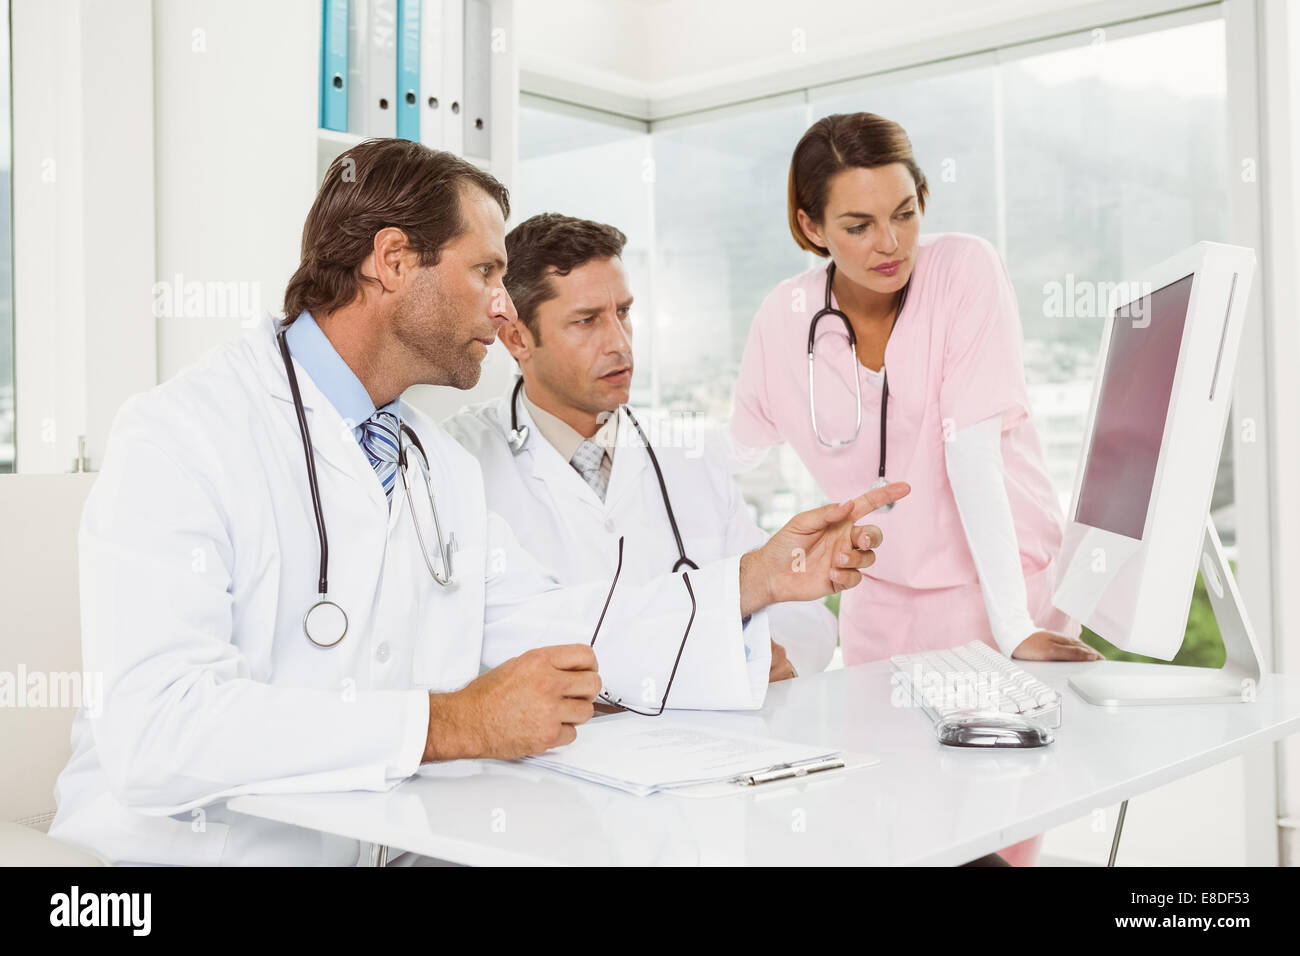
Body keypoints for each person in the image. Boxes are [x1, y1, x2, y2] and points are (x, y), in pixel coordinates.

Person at [49, 139, 906, 866]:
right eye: (485, 272)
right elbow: (156, 730)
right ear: (391, 262)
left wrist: (754, 580)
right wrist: (453, 723)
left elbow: (564, 625)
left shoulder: (430, 464)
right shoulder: (182, 434)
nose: (503, 308)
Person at [729, 113, 1102, 865]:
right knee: (890, 833)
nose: (890, 243)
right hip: (881, 606)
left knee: (998, 836)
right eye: (858, 224)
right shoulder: (784, 319)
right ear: (810, 225)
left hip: (999, 590)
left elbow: (969, 450)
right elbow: (732, 462)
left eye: (904, 214)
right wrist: (733, 608)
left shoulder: (965, 271)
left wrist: (1013, 629)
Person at [445, 213, 837, 683]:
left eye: (624, 312)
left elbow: (801, 616)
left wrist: (765, 657)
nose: (619, 343)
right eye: (587, 320)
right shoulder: (456, 462)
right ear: (517, 337)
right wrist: (705, 661)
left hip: (704, 747)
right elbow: (474, 648)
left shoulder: (691, 452)